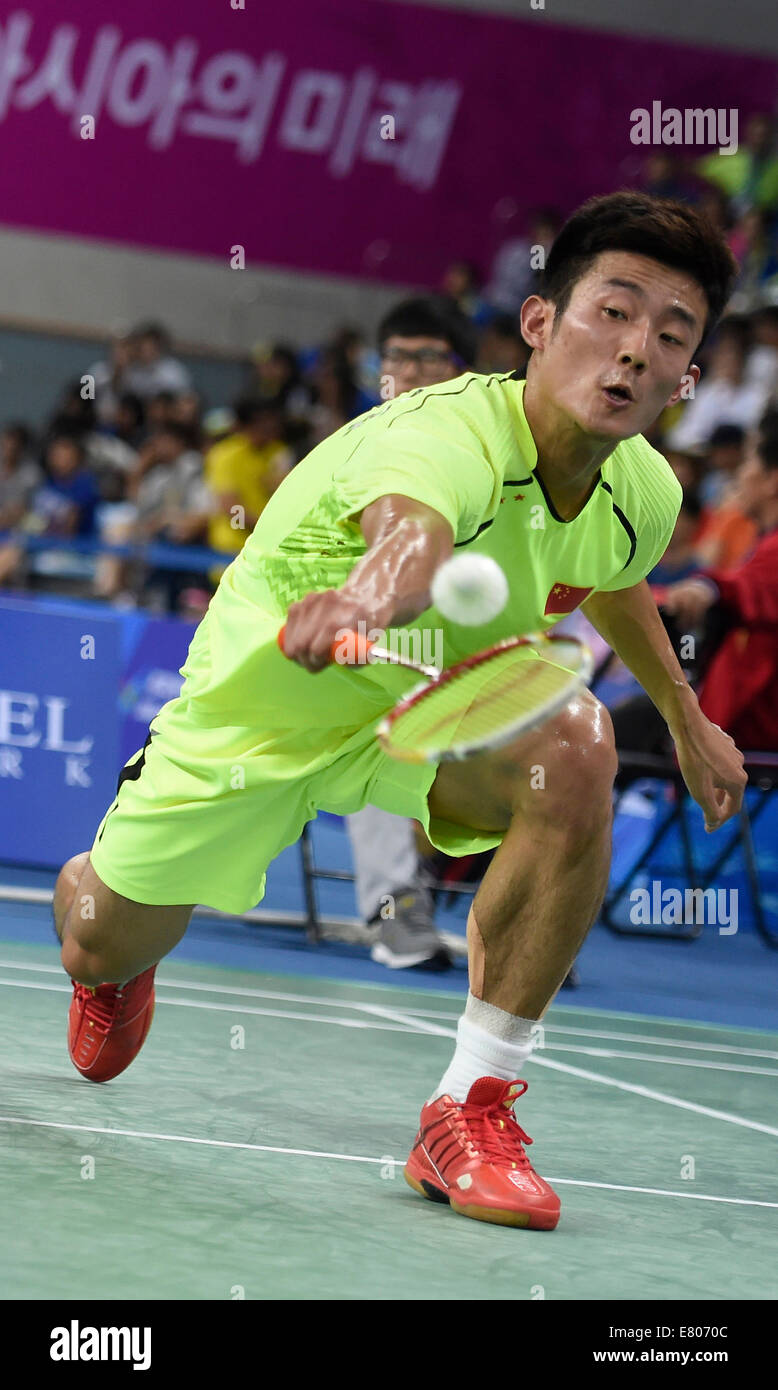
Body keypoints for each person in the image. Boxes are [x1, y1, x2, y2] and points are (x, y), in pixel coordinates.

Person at [56, 192, 746, 1232]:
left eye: (670, 334)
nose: (635, 350)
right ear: (539, 325)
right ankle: (118, 932)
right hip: (268, 706)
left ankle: (465, 1108)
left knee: (575, 742)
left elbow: (612, 573)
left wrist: (684, 714)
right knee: (96, 939)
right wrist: (370, 599)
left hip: (432, 710)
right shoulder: (444, 436)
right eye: (612, 311)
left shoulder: (640, 490)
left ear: (688, 380)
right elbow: (410, 540)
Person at [346, 294, 478, 969]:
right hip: (359, 648)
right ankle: (395, 902)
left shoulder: (491, 458)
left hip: (465, 656)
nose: (412, 369)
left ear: (459, 370)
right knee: (385, 711)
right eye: (399, 355)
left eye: (430, 356)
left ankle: (515, 915)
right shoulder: (351, 451)